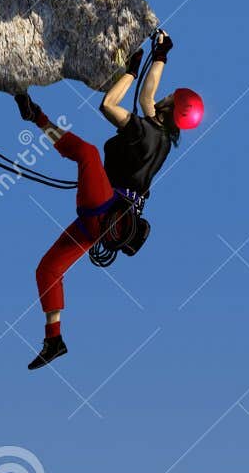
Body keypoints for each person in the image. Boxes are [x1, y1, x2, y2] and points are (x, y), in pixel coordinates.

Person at [18, 31, 204, 369]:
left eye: (168, 98)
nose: (160, 96)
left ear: (169, 110)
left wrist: (131, 71)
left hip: (106, 208)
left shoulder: (145, 133)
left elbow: (108, 105)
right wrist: (160, 53)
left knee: (87, 153)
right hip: (105, 222)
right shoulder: (159, 138)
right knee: (48, 268)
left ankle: (37, 117)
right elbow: (148, 100)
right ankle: (53, 339)